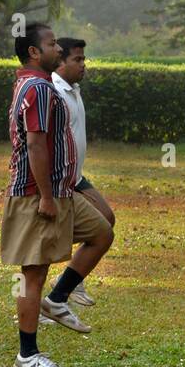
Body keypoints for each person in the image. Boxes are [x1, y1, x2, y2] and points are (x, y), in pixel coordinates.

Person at [0, 23, 108, 367]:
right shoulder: (39, 89)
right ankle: (27, 355)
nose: (58, 49)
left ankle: (58, 299)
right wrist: (45, 196)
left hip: (63, 192)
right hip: (37, 194)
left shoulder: (38, 86)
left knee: (102, 232)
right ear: (34, 52)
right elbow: (35, 144)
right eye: (51, 44)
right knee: (33, 273)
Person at [50, 37, 116, 309]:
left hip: (76, 176)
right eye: (77, 59)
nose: (83, 64)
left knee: (106, 219)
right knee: (93, 231)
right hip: (61, 179)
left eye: (83, 59)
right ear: (60, 61)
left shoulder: (72, 88)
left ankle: (68, 283)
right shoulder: (53, 91)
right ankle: (56, 295)